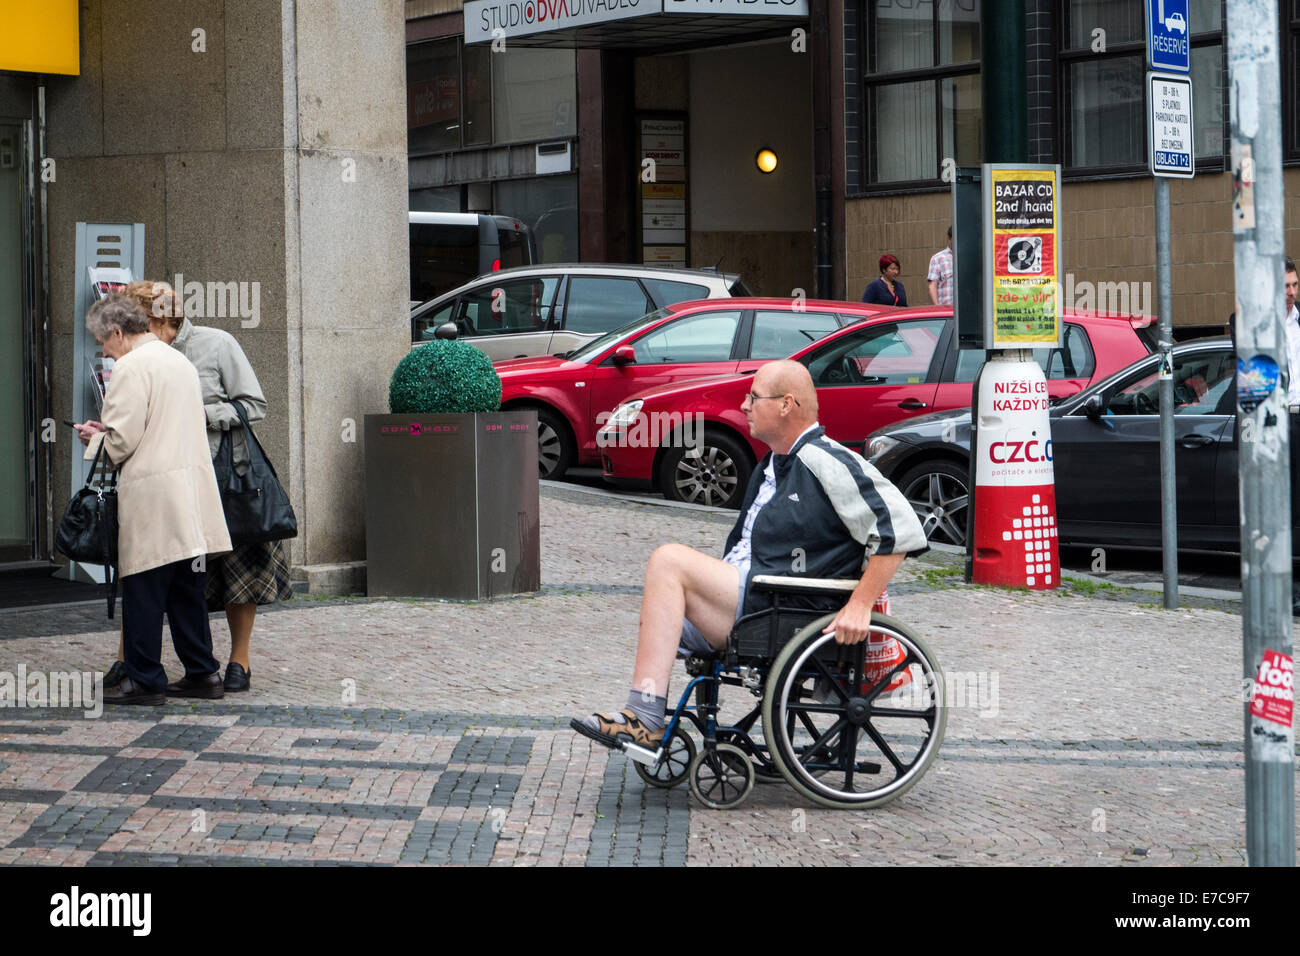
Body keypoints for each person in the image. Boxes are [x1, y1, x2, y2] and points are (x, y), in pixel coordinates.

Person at [570, 360, 927, 749]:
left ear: (787, 405)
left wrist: (860, 605)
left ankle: (645, 720)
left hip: (783, 605)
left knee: (669, 561)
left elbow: (901, 529)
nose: (744, 405)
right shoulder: (774, 462)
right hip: (760, 596)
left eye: (754, 398)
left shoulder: (828, 461)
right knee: (661, 605)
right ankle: (643, 713)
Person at [100, 280, 291, 693]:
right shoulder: (151, 357)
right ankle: (167, 667)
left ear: (162, 318)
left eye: (144, 321)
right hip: (178, 478)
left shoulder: (214, 345)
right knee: (179, 579)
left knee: (225, 571)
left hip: (222, 473)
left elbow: (254, 404)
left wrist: (200, 414)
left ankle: (232, 661)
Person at [75, 295, 232, 705]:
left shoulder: (130, 367)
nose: (103, 351)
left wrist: (95, 439)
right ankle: (204, 673)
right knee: (186, 590)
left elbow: (122, 441)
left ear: (117, 332)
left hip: (153, 494)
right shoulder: (177, 360)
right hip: (190, 492)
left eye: (102, 342)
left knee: (144, 588)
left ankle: (145, 680)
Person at [1284, 259, 1299, 406]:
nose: (1292, 292)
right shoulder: (1262, 324)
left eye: (1295, 284)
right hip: (1280, 417)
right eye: (1286, 286)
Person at [927, 226, 954, 306]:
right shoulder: (938, 258)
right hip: (946, 310)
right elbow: (932, 285)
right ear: (949, 238)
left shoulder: (968, 257)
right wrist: (937, 306)